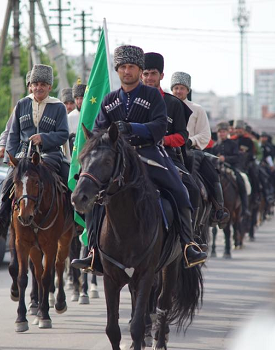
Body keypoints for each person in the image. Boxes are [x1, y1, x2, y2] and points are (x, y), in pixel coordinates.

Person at [71, 45, 207, 272]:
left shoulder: (153, 95)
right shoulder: (108, 99)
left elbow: (160, 126)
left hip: (148, 154)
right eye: (122, 67)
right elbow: (97, 131)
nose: (127, 71)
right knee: (93, 193)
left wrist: (132, 127)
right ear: (117, 70)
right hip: (116, 159)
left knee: (182, 190)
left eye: (131, 67)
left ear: (139, 70)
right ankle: (93, 252)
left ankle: (187, 245)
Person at [0, 64, 70, 237]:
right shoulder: (22, 104)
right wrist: (10, 160)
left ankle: (75, 218)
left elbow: (63, 134)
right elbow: (13, 134)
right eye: (35, 84)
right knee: (8, 182)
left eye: (43, 84)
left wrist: (44, 138)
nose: (39, 87)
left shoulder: (58, 107)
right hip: (23, 155)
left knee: (70, 178)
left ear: (49, 87)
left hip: (50, 155)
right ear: (31, 86)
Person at [141, 52, 208, 229]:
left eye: (153, 73)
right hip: (134, 156)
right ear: (141, 74)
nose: (149, 78)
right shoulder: (130, 100)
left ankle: (189, 240)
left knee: (192, 190)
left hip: (167, 156)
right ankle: (93, 248)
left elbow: (182, 136)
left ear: (161, 76)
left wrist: (164, 140)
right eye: (146, 73)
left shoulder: (174, 103)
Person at [170, 71, 227, 224]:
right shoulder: (165, 105)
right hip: (168, 149)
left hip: (191, 151)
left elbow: (205, 134)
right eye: (175, 88)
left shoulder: (197, 109)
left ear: (188, 90)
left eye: (182, 88)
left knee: (212, 174)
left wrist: (190, 141)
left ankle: (218, 209)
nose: (178, 91)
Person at [211, 123, 251, 216]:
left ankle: (245, 208)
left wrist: (225, 158)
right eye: (220, 132)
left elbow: (237, 157)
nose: (222, 134)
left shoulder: (233, 144)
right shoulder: (215, 146)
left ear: (227, 132)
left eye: (224, 132)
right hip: (218, 169)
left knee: (241, 180)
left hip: (232, 167)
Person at [0, 70, 32, 160]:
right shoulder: (21, 105)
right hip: (22, 153)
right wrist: (3, 145)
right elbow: (9, 129)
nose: (34, 88)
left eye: (39, 84)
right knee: (11, 174)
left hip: (46, 154)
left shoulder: (53, 105)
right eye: (30, 85)